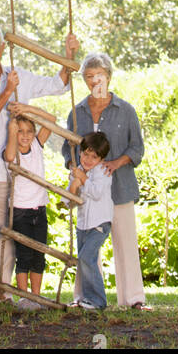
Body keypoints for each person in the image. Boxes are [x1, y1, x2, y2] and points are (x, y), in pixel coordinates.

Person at [0, 23, 80, 308]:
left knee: (6, 232)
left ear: (2, 45)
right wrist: (8, 91)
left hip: (9, 173)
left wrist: (68, 54)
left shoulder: (17, 75)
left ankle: (4, 291)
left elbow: (57, 85)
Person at [63, 51, 150, 309]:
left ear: (109, 77)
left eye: (99, 76)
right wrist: (74, 168)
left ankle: (133, 299)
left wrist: (116, 162)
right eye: (89, 77)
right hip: (88, 192)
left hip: (120, 188)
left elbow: (137, 149)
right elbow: (68, 149)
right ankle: (84, 297)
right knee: (87, 247)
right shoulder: (77, 112)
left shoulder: (125, 110)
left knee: (125, 244)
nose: (94, 81)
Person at [3, 110, 52, 304]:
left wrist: (24, 108)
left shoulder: (37, 146)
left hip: (39, 209)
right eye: (20, 131)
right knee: (24, 255)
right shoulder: (13, 151)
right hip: (20, 211)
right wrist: (10, 130)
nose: (25, 135)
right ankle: (24, 298)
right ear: (14, 132)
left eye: (29, 131)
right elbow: (8, 157)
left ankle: (36, 297)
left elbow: (51, 120)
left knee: (39, 255)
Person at [70, 131, 113, 310]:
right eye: (85, 154)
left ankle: (98, 301)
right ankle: (88, 299)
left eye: (94, 157)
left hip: (99, 223)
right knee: (84, 259)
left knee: (87, 257)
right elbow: (69, 200)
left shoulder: (103, 172)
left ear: (101, 159)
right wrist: (74, 183)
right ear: (80, 152)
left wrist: (83, 179)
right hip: (83, 224)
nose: (88, 159)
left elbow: (96, 193)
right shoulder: (78, 171)